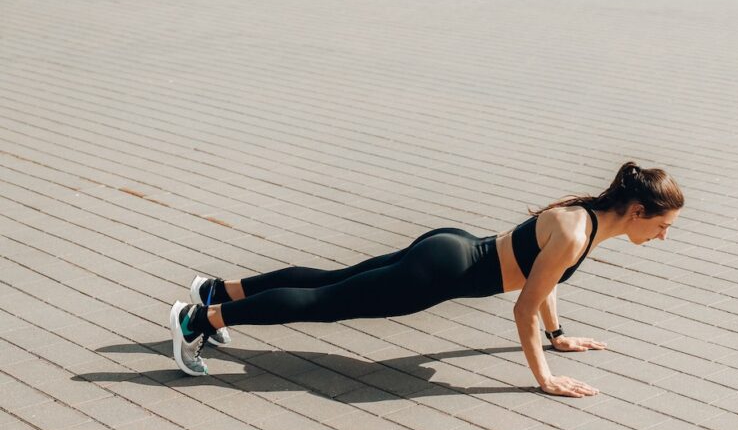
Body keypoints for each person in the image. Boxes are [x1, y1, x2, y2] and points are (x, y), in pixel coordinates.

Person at [170, 161, 684, 397]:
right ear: (637, 211)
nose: (663, 238)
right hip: (439, 273)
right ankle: (199, 319)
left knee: (333, 280)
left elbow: (541, 281)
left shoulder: (583, 216)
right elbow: (524, 305)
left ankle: (220, 290)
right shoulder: (578, 235)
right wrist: (544, 378)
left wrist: (557, 336)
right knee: (323, 301)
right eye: (661, 227)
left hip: (449, 245)